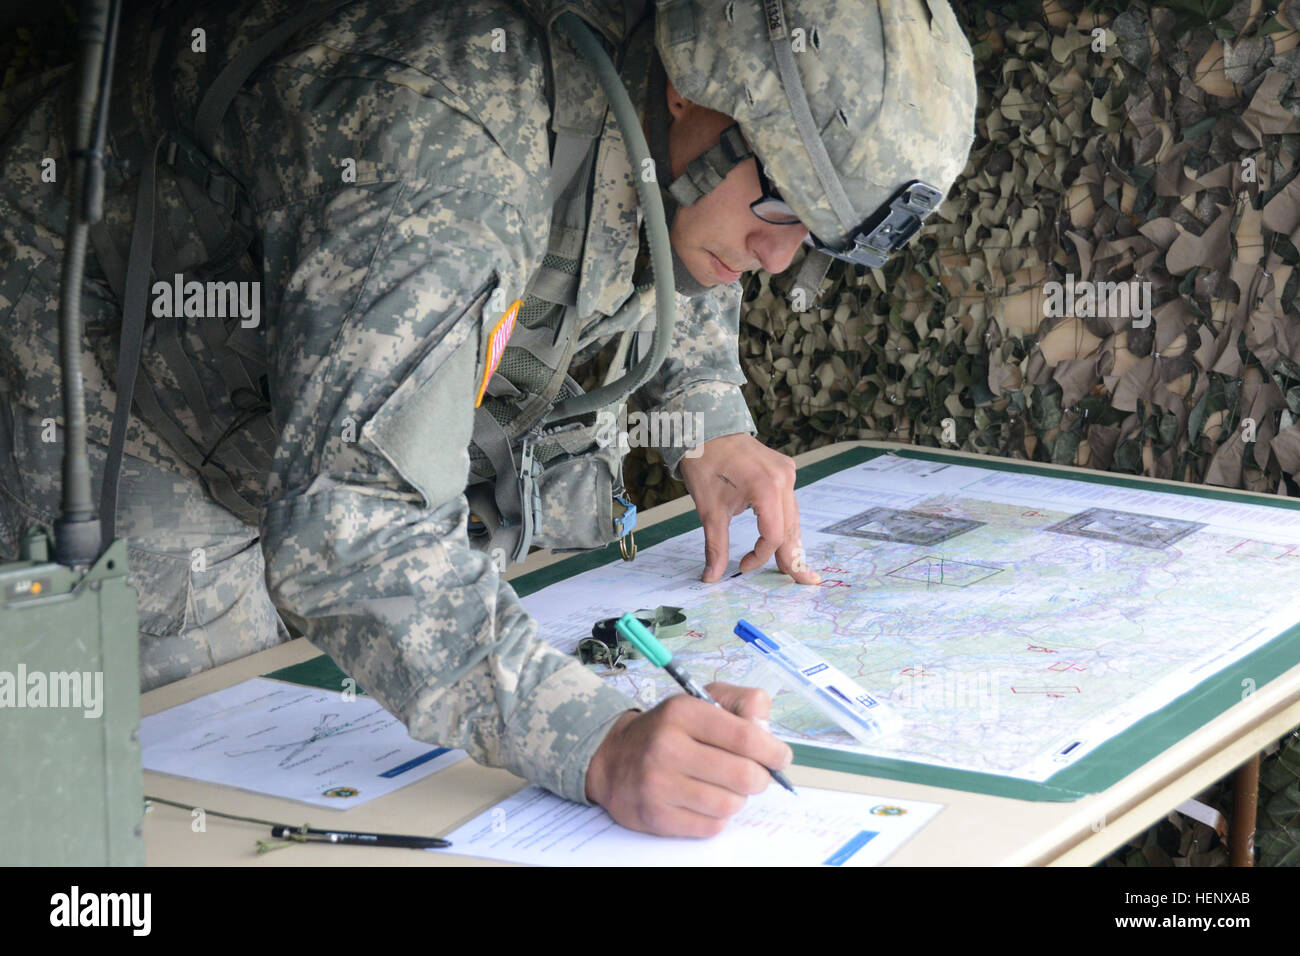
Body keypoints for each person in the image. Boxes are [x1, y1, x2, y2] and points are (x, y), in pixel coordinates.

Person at [0, 0, 975, 836]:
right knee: (193, 744)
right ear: (691, 88)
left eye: (809, 240)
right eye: (781, 205)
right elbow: (349, 529)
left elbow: (678, 216)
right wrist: (593, 743)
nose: (774, 258)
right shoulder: (442, 134)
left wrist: (706, 410)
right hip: (126, 332)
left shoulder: (677, 98)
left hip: (328, 331)